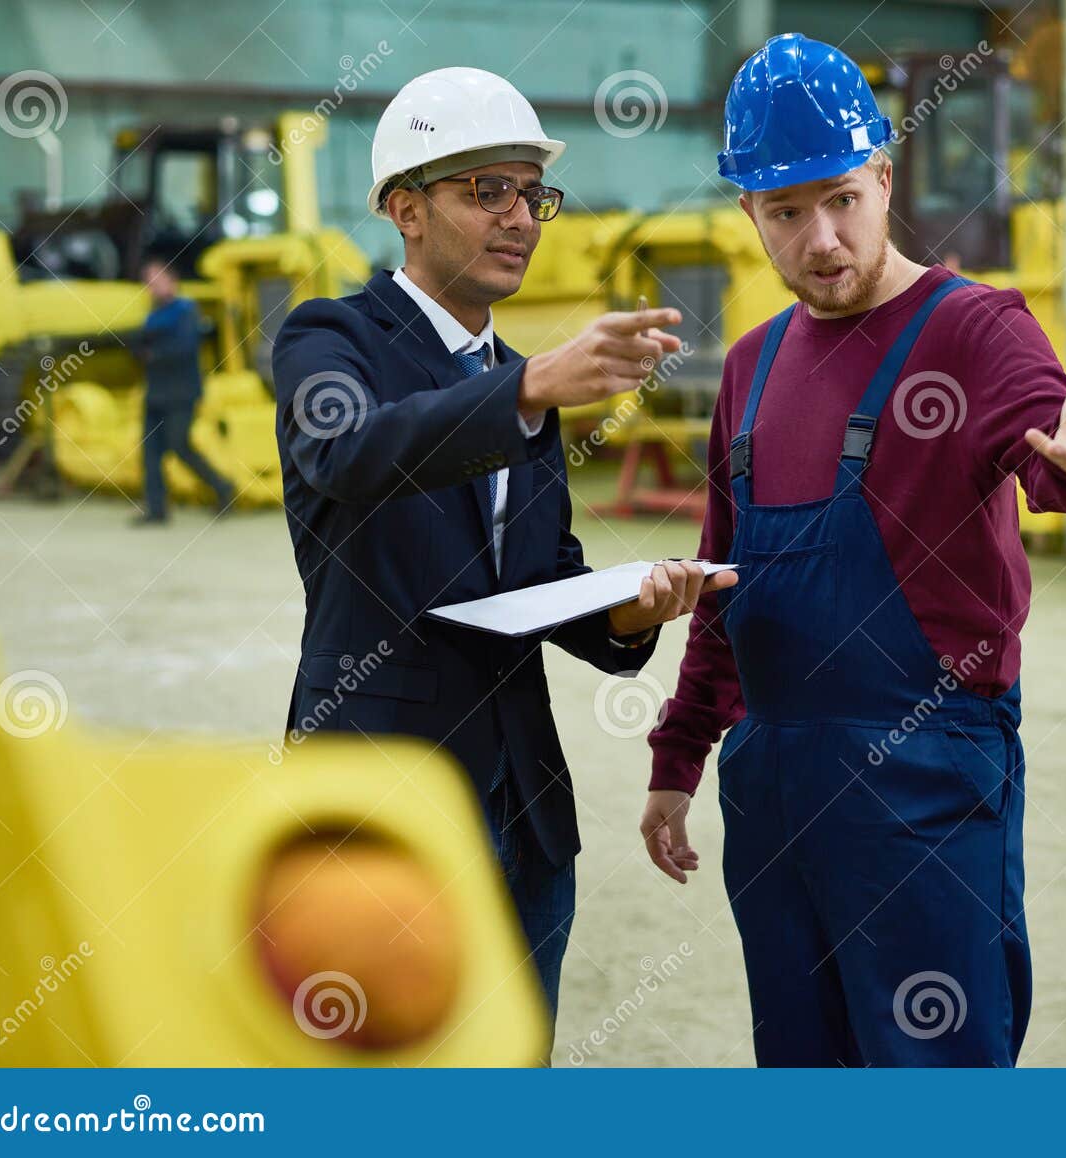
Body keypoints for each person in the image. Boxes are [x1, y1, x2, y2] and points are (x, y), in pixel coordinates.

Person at [639, 34, 1066, 1066]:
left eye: (840, 199)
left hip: (923, 782)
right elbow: (724, 583)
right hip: (774, 789)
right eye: (785, 211)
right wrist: (678, 754)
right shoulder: (751, 366)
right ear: (750, 214)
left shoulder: (975, 332)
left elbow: (1059, 466)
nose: (819, 238)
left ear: (881, 176)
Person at [271, 67, 734, 1021]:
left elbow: (535, 577)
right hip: (381, 792)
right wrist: (524, 395)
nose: (521, 217)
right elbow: (349, 451)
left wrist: (625, 611)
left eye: (533, 193)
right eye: (489, 190)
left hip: (522, 803)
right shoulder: (332, 340)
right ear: (405, 208)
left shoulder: (521, 381)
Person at [130, 258, 236, 524]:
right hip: (155, 393)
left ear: (172, 281)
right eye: (148, 281)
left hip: (181, 393)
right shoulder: (152, 315)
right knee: (150, 452)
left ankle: (223, 488)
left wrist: (152, 354)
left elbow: (185, 347)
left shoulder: (186, 310)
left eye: (157, 279)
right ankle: (157, 510)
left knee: (180, 446)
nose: (152, 286)